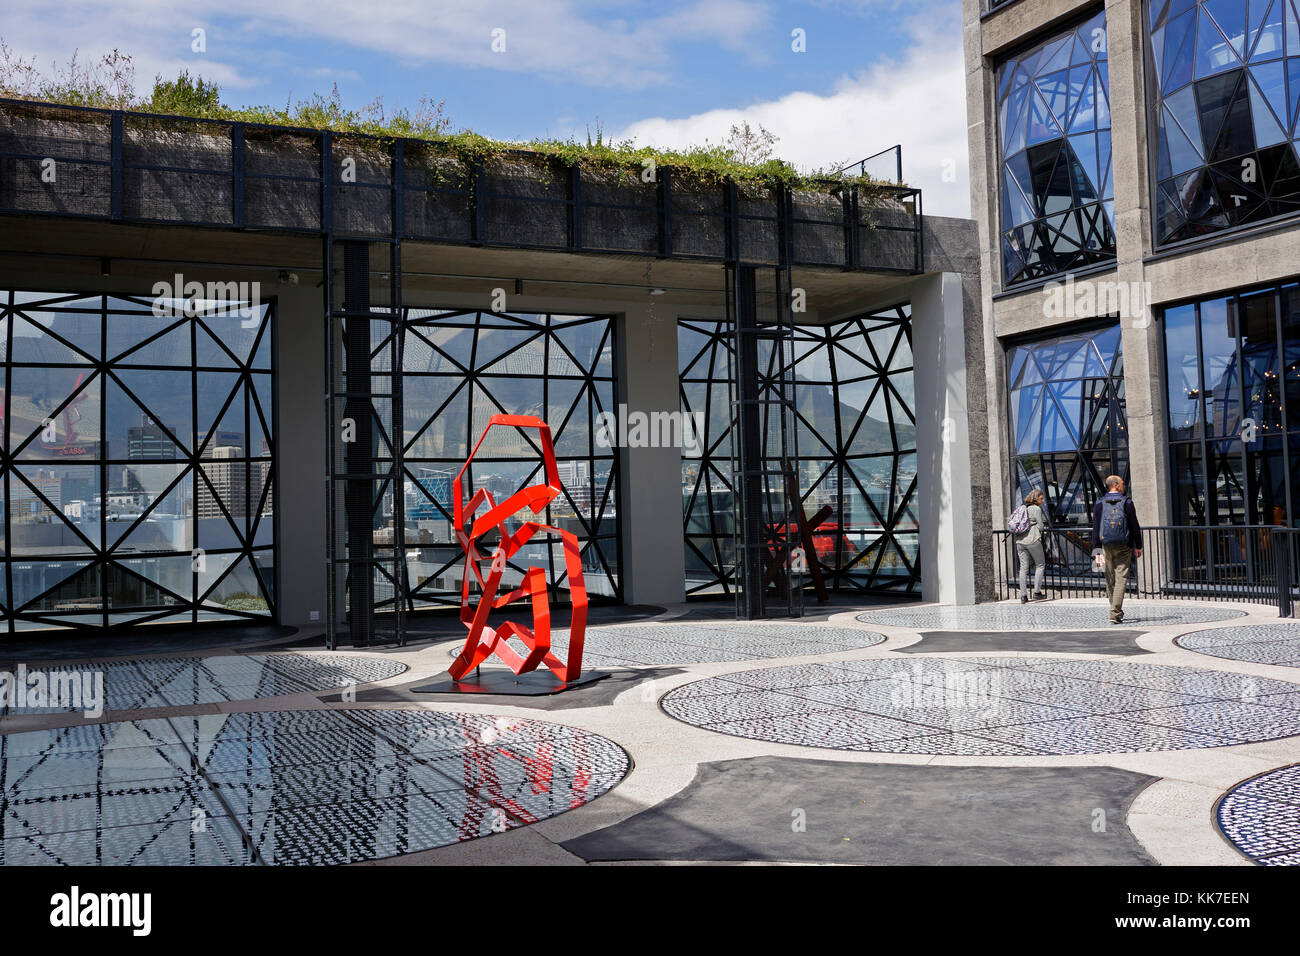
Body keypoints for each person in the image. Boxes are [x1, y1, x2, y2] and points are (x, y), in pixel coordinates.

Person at [1091, 475, 1143, 624]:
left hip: (1105, 545)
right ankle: (1115, 612)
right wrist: (1138, 546)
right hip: (1124, 545)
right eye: (1122, 483)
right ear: (1116, 485)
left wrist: (1096, 549)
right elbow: (1134, 526)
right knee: (1121, 578)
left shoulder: (1099, 503)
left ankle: (1114, 609)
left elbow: (1096, 528)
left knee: (1110, 578)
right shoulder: (1127, 502)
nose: (1124, 485)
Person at [1014, 489, 1049, 602]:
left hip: (1020, 541)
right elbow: (1041, 526)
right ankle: (1037, 592)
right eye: (1041, 498)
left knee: (1023, 568)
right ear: (1035, 499)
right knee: (1040, 565)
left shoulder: (1024, 508)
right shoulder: (1036, 509)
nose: (1043, 501)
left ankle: (1023, 596)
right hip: (1033, 539)